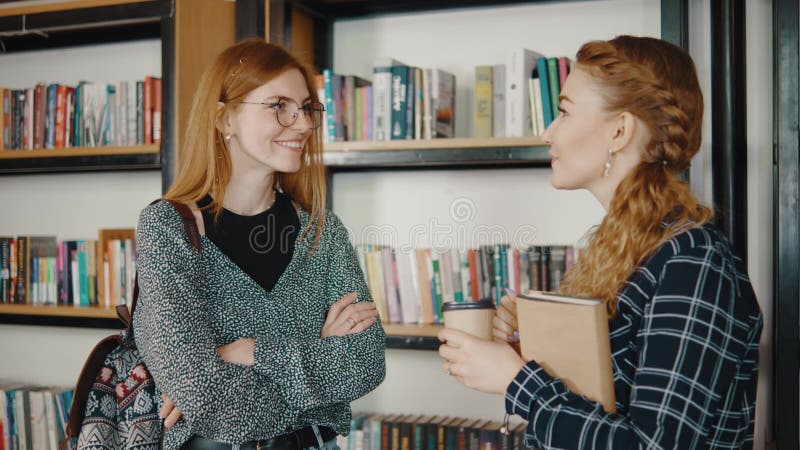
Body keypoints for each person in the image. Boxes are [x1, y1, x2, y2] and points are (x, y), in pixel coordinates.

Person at [437, 35, 762, 450]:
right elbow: (603, 400)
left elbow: (653, 445)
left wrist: (517, 380)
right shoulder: (623, 248)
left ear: (620, 131)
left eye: (564, 112)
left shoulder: (693, 263)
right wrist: (528, 350)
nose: (548, 132)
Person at [133, 39, 386, 450]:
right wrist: (318, 360)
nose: (302, 125)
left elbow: (366, 363)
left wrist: (250, 352)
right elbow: (201, 393)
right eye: (279, 106)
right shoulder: (169, 229)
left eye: (306, 108)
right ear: (224, 118)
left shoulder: (323, 232)